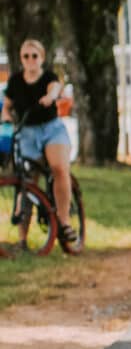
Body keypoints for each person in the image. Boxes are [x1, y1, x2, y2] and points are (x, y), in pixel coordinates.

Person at [1, 38, 79, 250]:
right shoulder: (15, 81)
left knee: (59, 168)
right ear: (21, 59)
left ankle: (64, 223)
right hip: (27, 132)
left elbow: (56, 88)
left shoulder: (48, 77)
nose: (30, 60)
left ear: (42, 58)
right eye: (26, 56)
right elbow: (6, 106)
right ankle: (22, 239)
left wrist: (50, 97)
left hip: (51, 130)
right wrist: (6, 115)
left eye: (34, 56)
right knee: (27, 182)